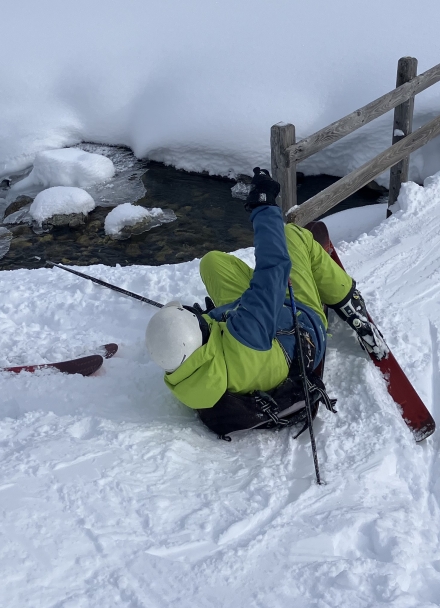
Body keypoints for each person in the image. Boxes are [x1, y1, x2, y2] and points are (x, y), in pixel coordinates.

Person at [145, 168, 376, 436]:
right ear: (195, 335)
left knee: (213, 262)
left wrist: (205, 318)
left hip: (252, 340)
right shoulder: (246, 333)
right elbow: (275, 265)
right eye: (196, 321)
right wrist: (262, 205)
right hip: (297, 321)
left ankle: (264, 292)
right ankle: (347, 298)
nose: (199, 317)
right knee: (291, 236)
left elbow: (195, 334)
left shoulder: (185, 374)